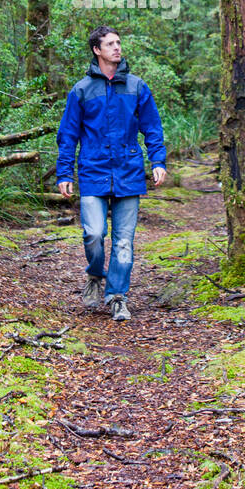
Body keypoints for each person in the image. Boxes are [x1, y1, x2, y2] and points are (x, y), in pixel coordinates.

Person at [56, 25, 167, 321]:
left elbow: (153, 128)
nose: (117, 48)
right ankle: (94, 274)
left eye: (119, 43)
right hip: (93, 173)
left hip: (129, 174)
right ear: (97, 50)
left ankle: (118, 296)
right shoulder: (81, 90)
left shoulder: (136, 86)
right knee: (93, 234)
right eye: (110, 44)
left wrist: (158, 161)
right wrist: (64, 173)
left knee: (123, 242)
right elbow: (68, 135)